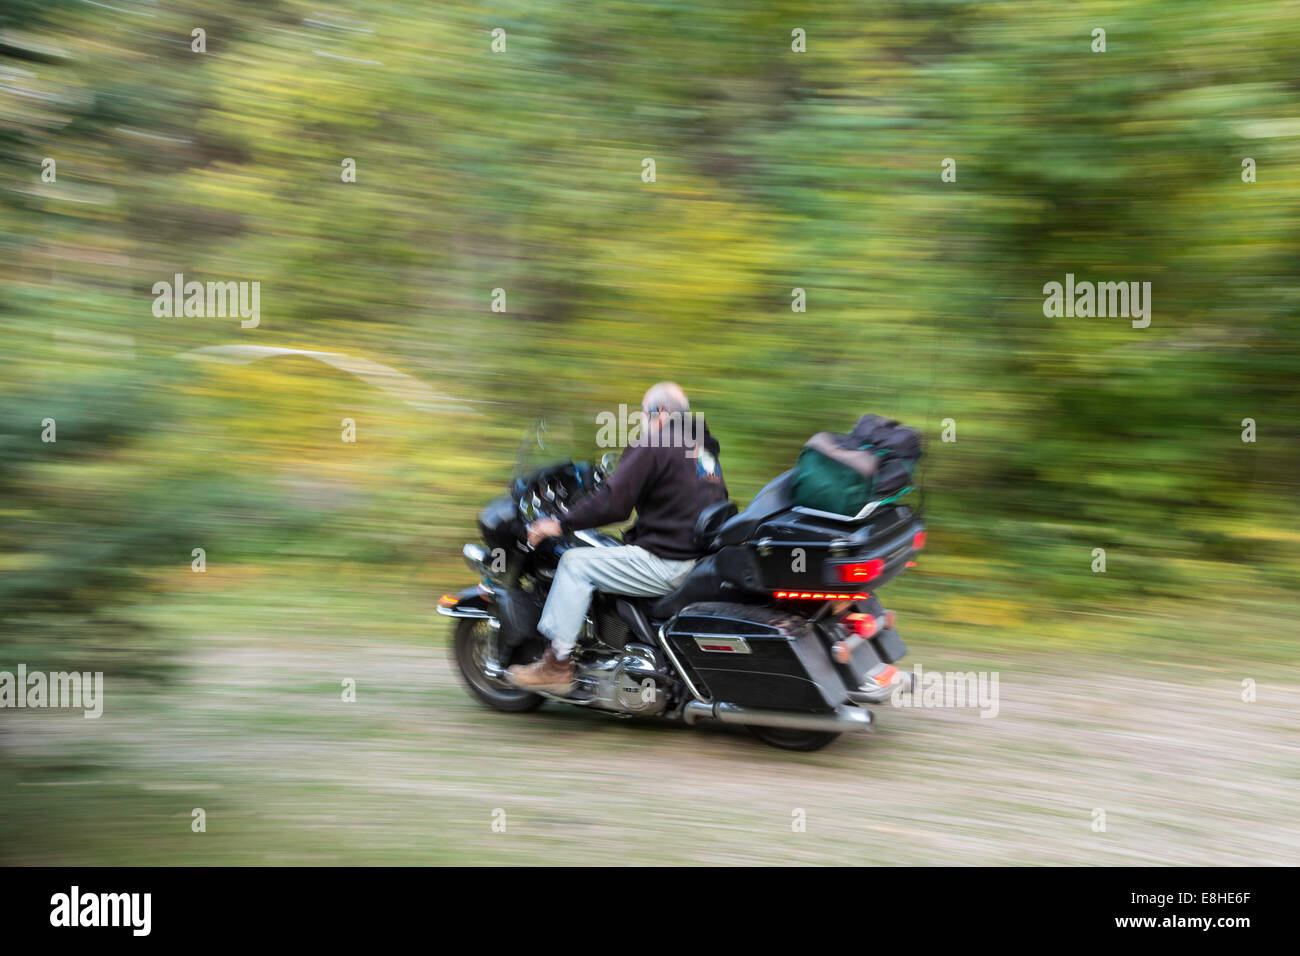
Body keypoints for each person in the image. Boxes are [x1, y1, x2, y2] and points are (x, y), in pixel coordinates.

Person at [508, 382, 728, 692]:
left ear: (660, 414)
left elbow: (614, 504)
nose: (640, 420)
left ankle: (556, 664)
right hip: (698, 556)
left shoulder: (655, 442)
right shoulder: (701, 448)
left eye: (643, 413)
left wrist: (559, 523)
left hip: (667, 560)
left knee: (574, 563)